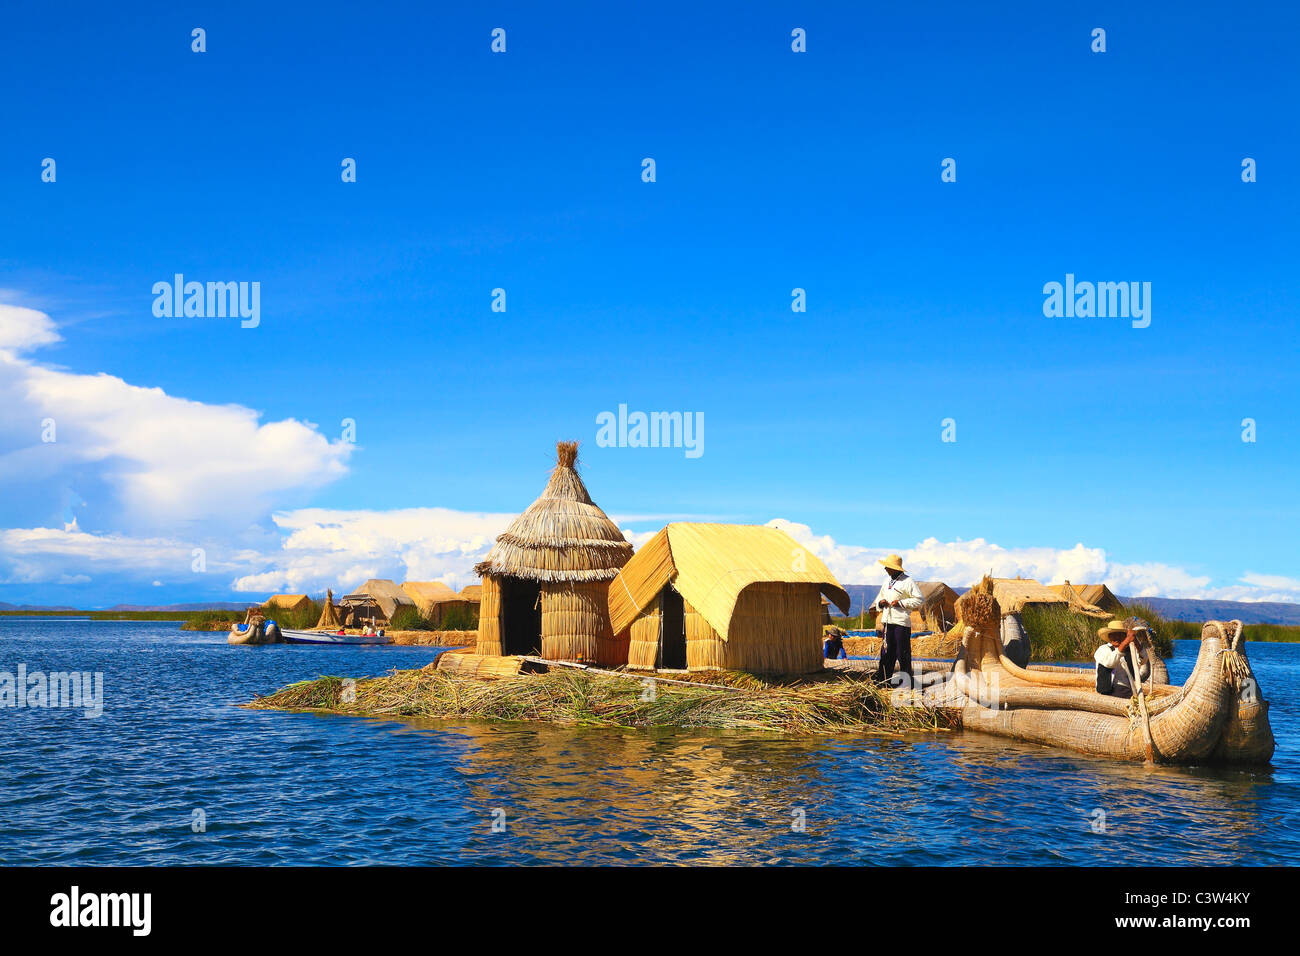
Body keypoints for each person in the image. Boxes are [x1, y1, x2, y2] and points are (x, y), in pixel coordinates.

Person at [871, 554, 924, 685]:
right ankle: (884, 679)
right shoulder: (886, 582)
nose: (885, 569)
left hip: (901, 622)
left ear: (895, 568)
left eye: (888, 567)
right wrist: (881, 603)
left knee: (902, 653)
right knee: (886, 652)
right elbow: (879, 598)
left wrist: (901, 603)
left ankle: (906, 680)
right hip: (888, 622)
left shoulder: (908, 581)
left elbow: (919, 599)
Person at [1094, 619, 1151, 698]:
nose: (1117, 637)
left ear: (1124, 636)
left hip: (1127, 690)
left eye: (1120, 634)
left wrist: (1136, 641)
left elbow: (1143, 659)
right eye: (1113, 634)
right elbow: (1110, 662)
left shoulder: (1130, 650)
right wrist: (1126, 642)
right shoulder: (1103, 649)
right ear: (1109, 636)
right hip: (1108, 691)